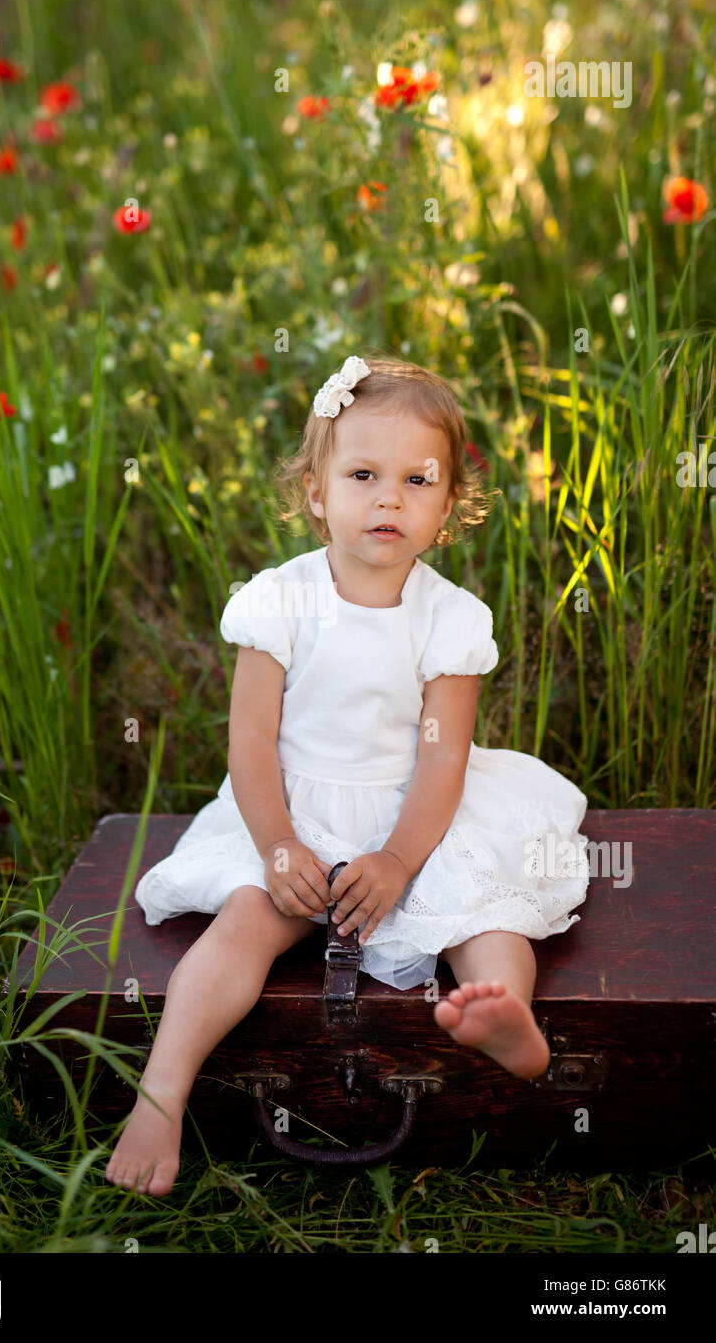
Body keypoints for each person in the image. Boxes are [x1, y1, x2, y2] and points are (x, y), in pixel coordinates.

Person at [105, 352, 590, 1196]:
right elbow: (251, 744)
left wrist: (402, 859)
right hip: (293, 809)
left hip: (422, 813)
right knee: (246, 926)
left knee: (487, 909)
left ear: (448, 507)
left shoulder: (450, 619)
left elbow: (443, 753)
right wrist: (279, 845)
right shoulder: (279, 602)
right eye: (364, 474)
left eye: (417, 480)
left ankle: (503, 1015)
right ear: (317, 493)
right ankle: (163, 1091)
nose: (389, 497)